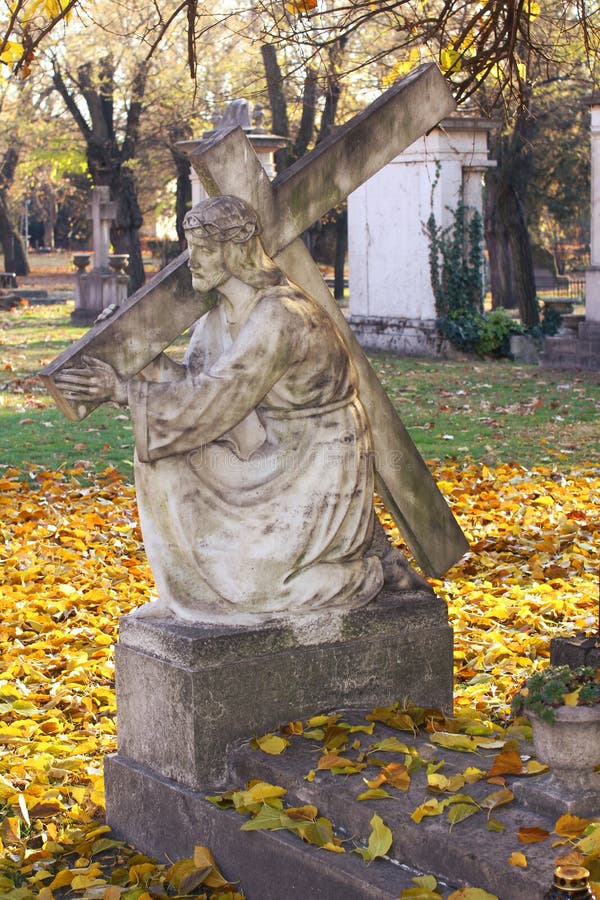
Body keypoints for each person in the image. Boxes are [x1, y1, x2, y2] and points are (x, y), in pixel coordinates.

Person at [55, 195, 428, 625]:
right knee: (162, 457)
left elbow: (214, 399)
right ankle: (194, 589)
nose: (192, 261)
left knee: (263, 583)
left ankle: (367, 574)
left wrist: (124, 392)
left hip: (318, 460)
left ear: (235, 252)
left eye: (205, 250)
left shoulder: (280, 316)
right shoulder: (220, 315)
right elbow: (196, 385)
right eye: (190, 248)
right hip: (269, 451)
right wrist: (140, 360)